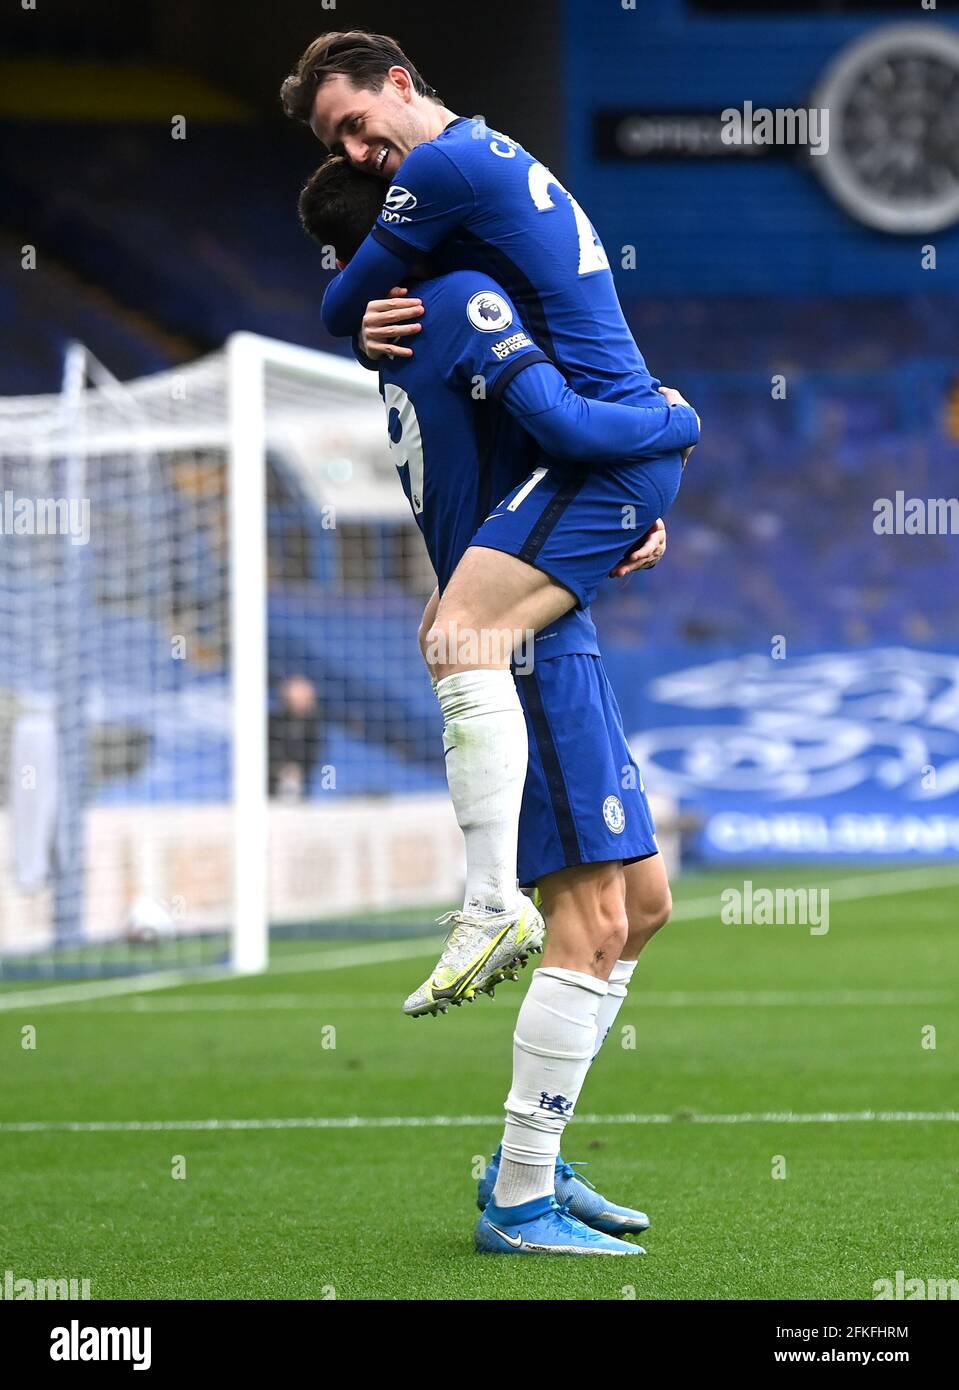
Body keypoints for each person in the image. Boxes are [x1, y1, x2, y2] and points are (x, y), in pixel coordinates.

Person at [299, 158, 685, 1256]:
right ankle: (519, 1196)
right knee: (593, 921)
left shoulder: (398, 329)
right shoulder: (461, 299)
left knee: (642, 904)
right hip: (524, 645)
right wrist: (672, 416)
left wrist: (613, 527)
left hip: (544, 611)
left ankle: (536, 1161)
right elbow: (567, 428)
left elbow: (528, 467)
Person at [281, 37, 697, 996]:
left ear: (399, 82)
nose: (352, 149)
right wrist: (666, 430)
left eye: (353, 123)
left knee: (454, 627)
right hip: (587, 478)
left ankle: (484, 906)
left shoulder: (443, 189)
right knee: (626, 912)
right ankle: (527, 1148)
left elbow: (341, 299)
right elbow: (541, 420)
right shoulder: (463, 283)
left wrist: (353, 319)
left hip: (593, 469)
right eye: (335, 140)